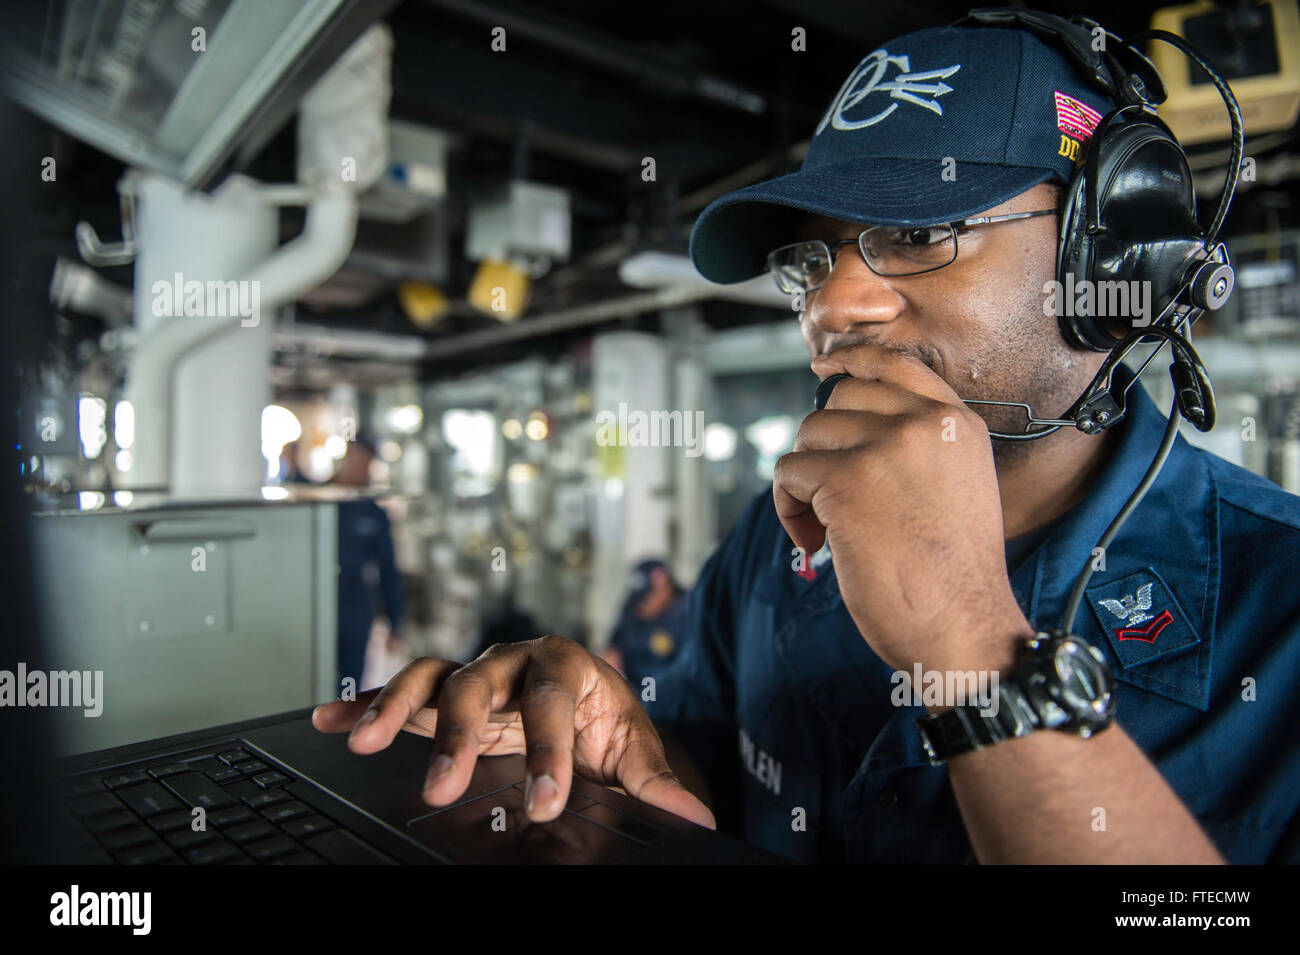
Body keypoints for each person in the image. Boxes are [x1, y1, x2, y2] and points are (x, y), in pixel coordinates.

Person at [313, 15, 1300, 863]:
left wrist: (971, 648)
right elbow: (703, 783)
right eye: (810, 261)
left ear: (1108, 255)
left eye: (920, 235)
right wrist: (608, 750)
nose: (832, 301)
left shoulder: (1281, 603)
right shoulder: (771, 543)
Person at [334, 433, 405, 692]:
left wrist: (395, 621)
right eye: (357, 461)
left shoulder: (373, 513)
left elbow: (387, 568)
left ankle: (343, 728)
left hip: (354, 602)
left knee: (350, 679)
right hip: (316, 598)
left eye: (367, 463)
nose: (361, 469)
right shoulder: (316, 501)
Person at [601, 559, 688, 691]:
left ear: (664, 588)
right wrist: (613, 651)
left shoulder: (689, 614)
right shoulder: (634, 604)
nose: (639, 606)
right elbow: (618, 635)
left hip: (665, 697)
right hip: (631, 686)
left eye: (647, 598)